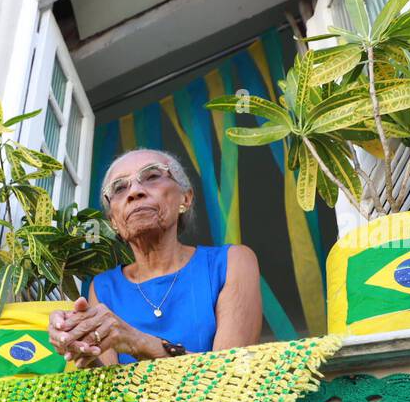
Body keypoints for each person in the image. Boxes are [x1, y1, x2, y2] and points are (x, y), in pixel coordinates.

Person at [48, 149, 263, 368]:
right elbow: (108, 391)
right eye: (119, 188)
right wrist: (77, 340)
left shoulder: (231, 262)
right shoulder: (104, 287)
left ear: (185, 198)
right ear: (113, 221)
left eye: (151, 176)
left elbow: (231, 377)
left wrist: (137, 342)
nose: (134, 192)